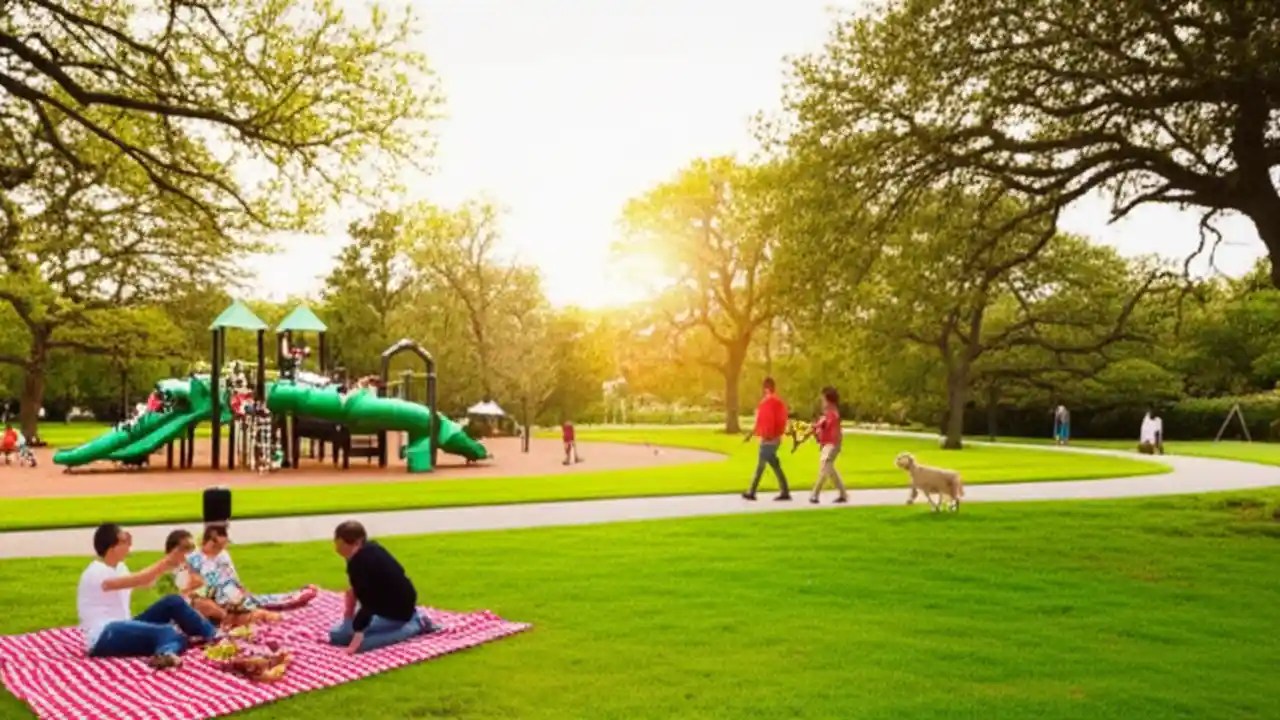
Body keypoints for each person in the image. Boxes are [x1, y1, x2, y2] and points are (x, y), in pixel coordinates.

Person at [77, 523, 216, 669]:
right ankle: (165, 654)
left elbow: (147, 582)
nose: (130, 545)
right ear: (112, 547)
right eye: (125, 540)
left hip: (121, 625)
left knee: (173, 602)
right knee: (168, 632)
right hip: (103, 636)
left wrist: (176, 566)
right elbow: (139, 579)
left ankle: (213, 636)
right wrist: (167, 561)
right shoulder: (95, 572)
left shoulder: (120, 568)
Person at [329, 521, 435, 655]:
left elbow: (368, 603)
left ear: (356, 543)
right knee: (338, 635)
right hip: (392, 604)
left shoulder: (360, 563)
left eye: (342, 544)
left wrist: (356, 637)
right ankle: (412, 618)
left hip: (394, 613)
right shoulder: (370, 550)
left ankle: (416, 625)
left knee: (358, 643)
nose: (337, 549)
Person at [172, 526, 282, 626]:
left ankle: (237, 617)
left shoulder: (223, 555)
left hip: (229, 598)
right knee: (201, 604)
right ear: (210, 542)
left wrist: (241, 590)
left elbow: (233, 578)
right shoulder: (191, 559)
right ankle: (228, 618)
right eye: (220, 546)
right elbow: (186, 588)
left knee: (250, 608)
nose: (222, 549)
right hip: (207, 598)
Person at [742, 377, 791, 501]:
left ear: (765, 388)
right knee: (774, 465)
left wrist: (757, 434)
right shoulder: (779, 403)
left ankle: (752, 492)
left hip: (768, 439)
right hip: (775, 438)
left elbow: (761, 421)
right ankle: (784, 491)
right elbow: (782, 420)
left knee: (761, 466)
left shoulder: (766, 403)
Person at [809, 387, 848, 504]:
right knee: (829, 470)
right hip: (828, 445)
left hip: (832, 446)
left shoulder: (833, 415)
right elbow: (821, 430)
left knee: (825, 468)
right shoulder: (828, 415)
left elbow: (830, 432)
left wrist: (818, 429)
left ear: (829, 401)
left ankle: (815, 494)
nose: (822, 402)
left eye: (823, 399)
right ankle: (843, 494)